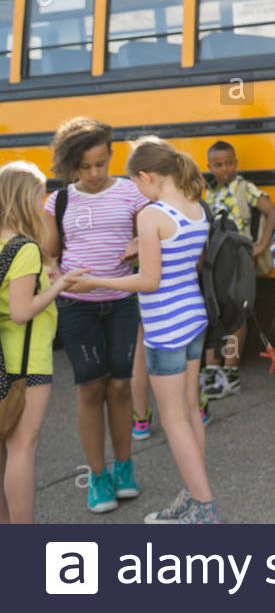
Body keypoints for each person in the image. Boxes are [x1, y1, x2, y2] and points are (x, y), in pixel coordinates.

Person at [70, 137, 221, 523]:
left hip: (165, 326)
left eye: (135, 183)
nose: (136, 191)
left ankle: (204, 510)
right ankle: (192, 496)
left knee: (172, 421)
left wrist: (99, 282)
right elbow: (180, 261)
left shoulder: (151, 215)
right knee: (190, 413)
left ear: (146, 175)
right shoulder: (195, 207)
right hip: (193, 317)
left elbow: (150, 281)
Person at [40, 117, 147, 514]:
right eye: (84, 168)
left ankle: (124, 467)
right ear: (71, 167)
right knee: (90, 388)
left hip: (121, 301)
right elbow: (50, 252)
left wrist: (138, 241)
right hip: (76, 306)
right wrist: (53, 270)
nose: (94, 174)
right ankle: (97, 476)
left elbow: (149, 234)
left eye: (100, 164)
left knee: (121, 387)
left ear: (111, 156)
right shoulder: (59, 201)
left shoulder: (133, 194)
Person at [0, 161, 85, 523]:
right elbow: (21, 312)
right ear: (24, 198)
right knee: (22, 447)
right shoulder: (24, 249)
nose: (43, 201)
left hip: (3, 360)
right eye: (39, 194)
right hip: (25, 362)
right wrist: (58, 287)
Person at [200, 139, 275, 398]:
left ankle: (230, 373)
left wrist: (261, 245)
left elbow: (271, 211)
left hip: (239, 259)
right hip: (215, 260)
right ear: (209, 166)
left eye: (229, 163)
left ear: (236, 163)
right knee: (213, 313)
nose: (224, 169)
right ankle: (211, 369)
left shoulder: (245, 188)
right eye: (218, 165)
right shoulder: (209, 194)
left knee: (236, 316)